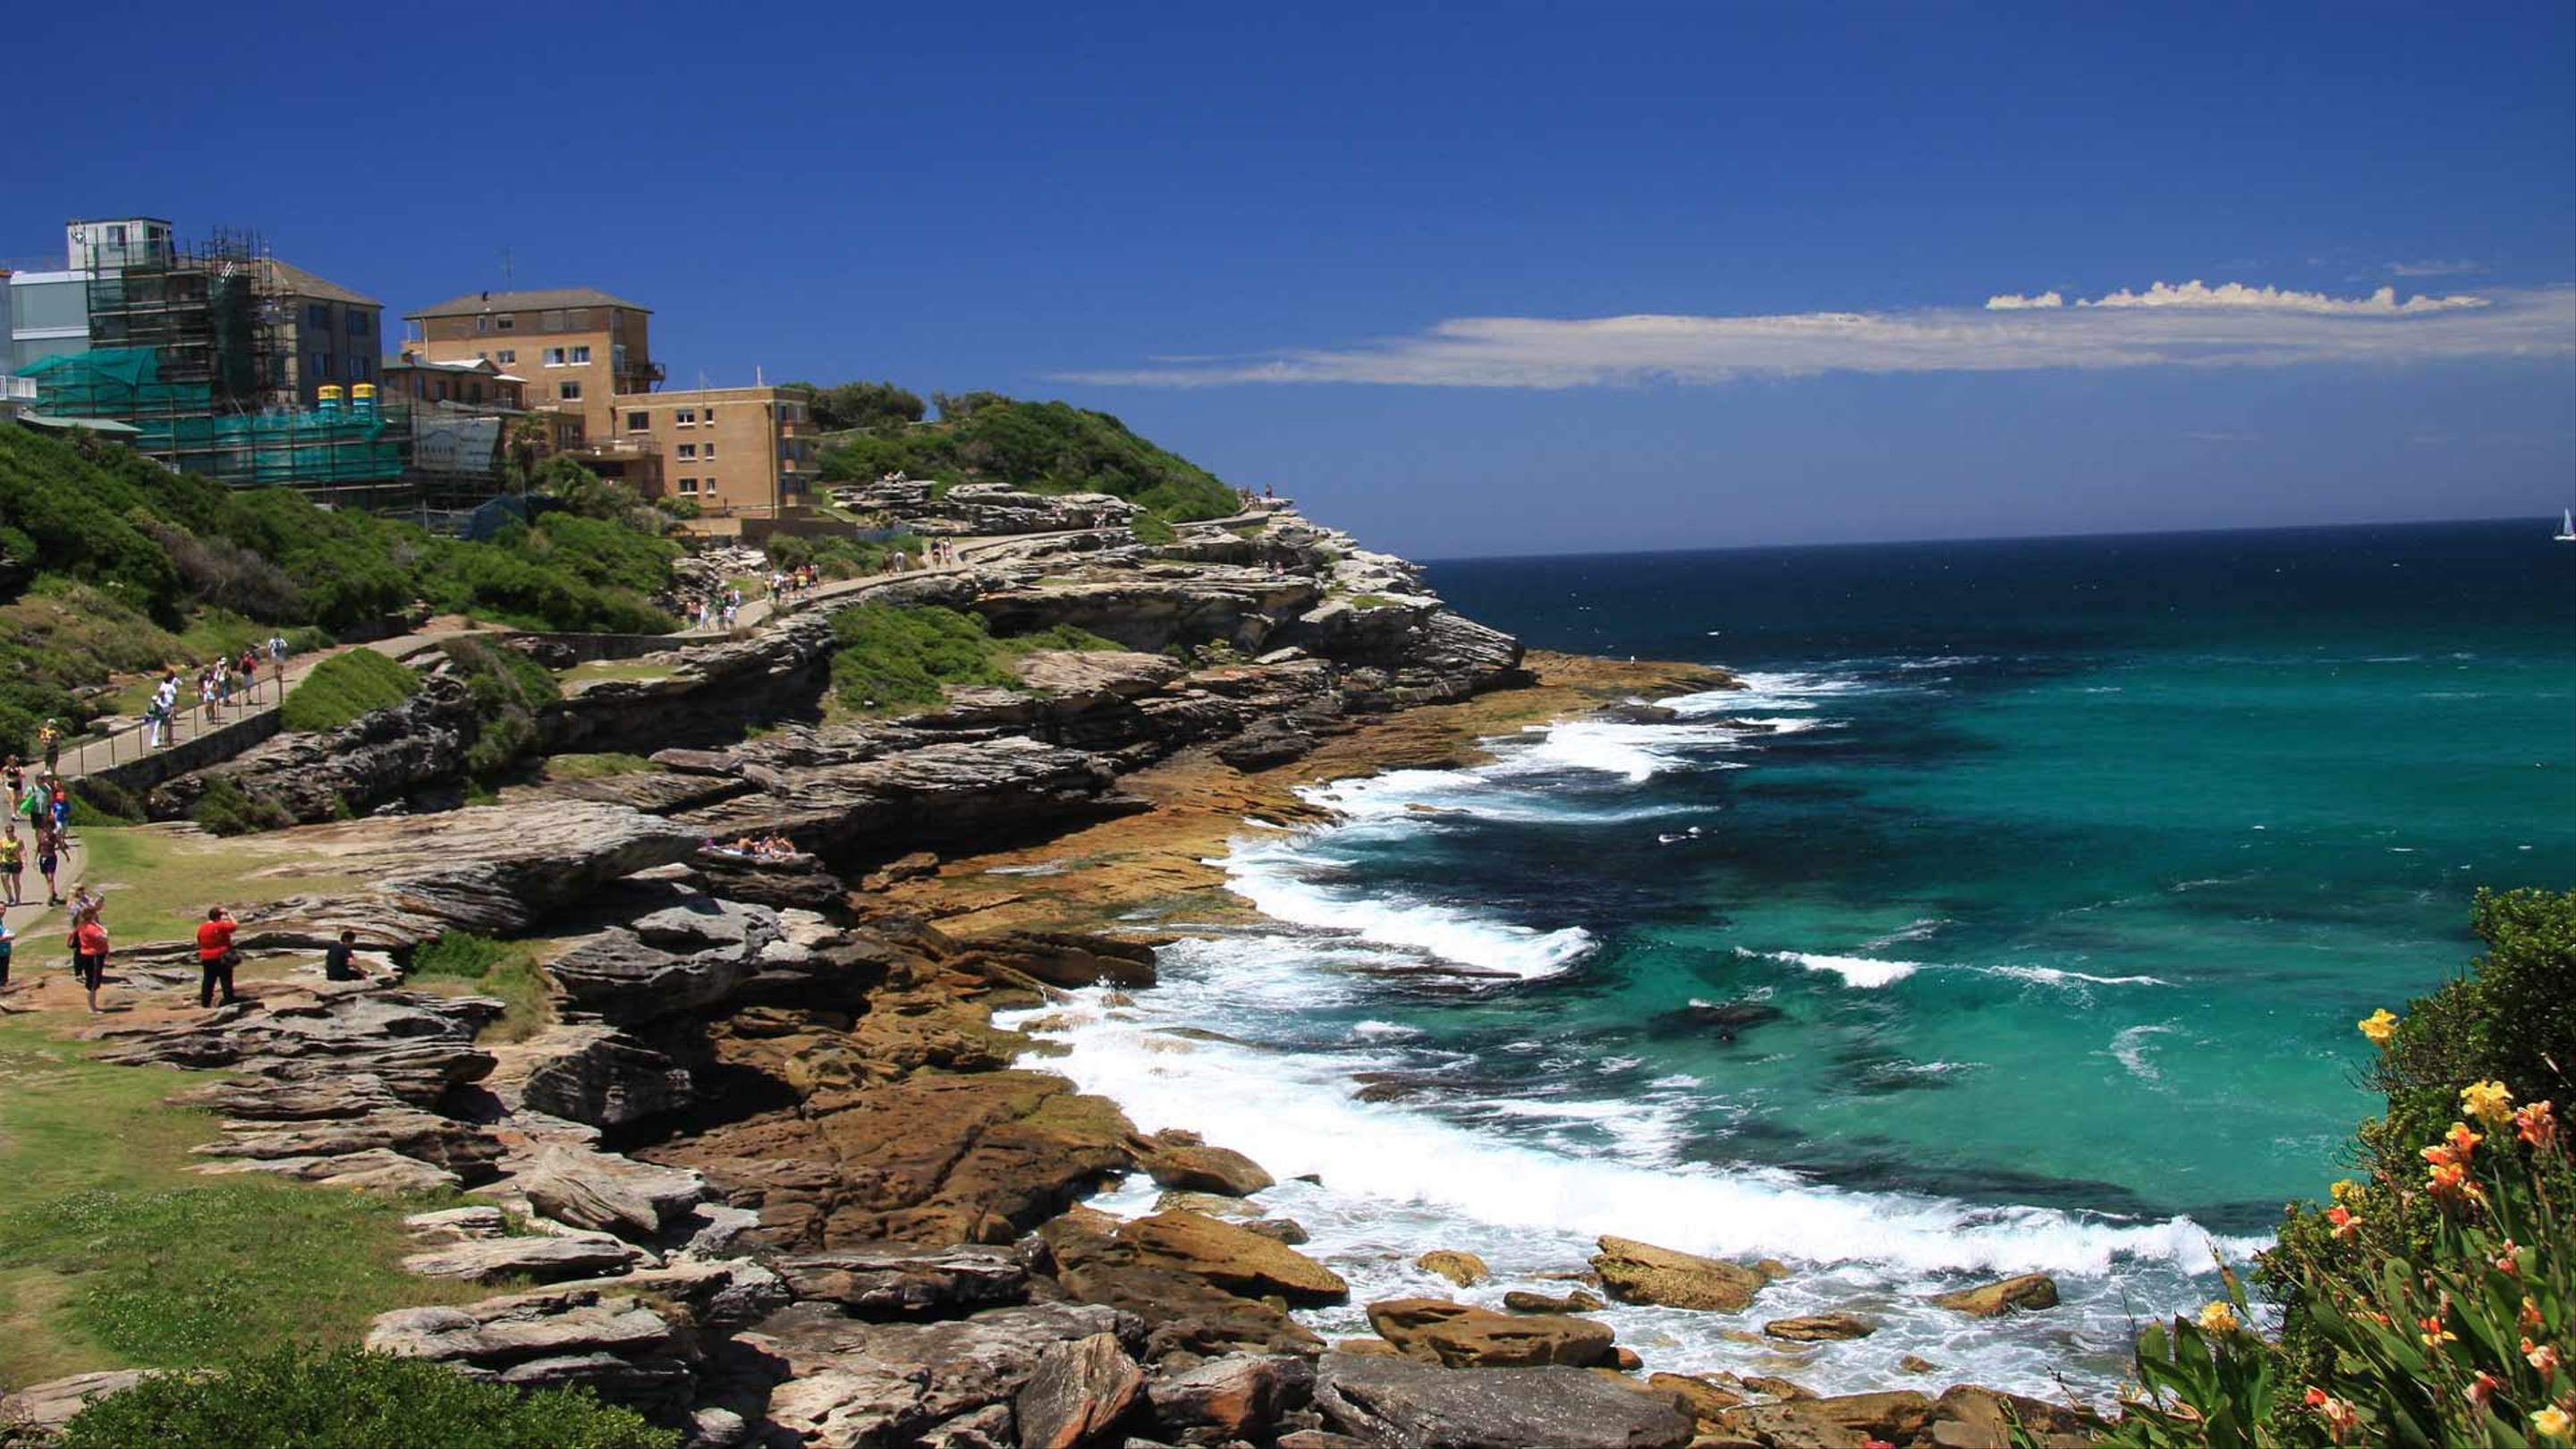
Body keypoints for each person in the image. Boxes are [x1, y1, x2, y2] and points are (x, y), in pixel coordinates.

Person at [195, 906, 241, 1008]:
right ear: (218, 917)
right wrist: (229, 914)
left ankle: (205, 1003)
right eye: (223, 915)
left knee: (208, 980)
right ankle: (229, 1000)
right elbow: (235, 925)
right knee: (226, 979)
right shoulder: (219, 925)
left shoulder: (202, 927)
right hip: (221, 956)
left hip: (206, 957)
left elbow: (199, 940)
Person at [72, 907, 107, 1014]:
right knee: (92, 983)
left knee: (94, 982)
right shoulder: (89, 928)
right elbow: (104, 937)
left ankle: (93, 1007)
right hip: (93, 956)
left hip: (95, 954)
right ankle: (92, 1008)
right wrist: (105, 930)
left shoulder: (87, 925)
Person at [36, 829, 60, 908]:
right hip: (43, 858)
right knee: (48, 878)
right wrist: (35, 858)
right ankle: (53, 892)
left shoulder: (54, 837)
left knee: (50, 878)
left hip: (51, 858)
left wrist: (66, 855)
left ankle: (50, 897)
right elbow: (38, 848)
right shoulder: (41, 836)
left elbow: (60, 845)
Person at [0, 825, 22, 907]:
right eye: (7, 831)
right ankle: (10, 896)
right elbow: (1, 851)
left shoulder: (18, 840)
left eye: (11, 831)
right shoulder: (2, 841)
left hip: (16, 862)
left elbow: (22, 850)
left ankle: (18, 898)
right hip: (5, 862)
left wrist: (24, 859)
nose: (9, 833)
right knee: (4, 878)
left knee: (16, 881)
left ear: (13, 831)